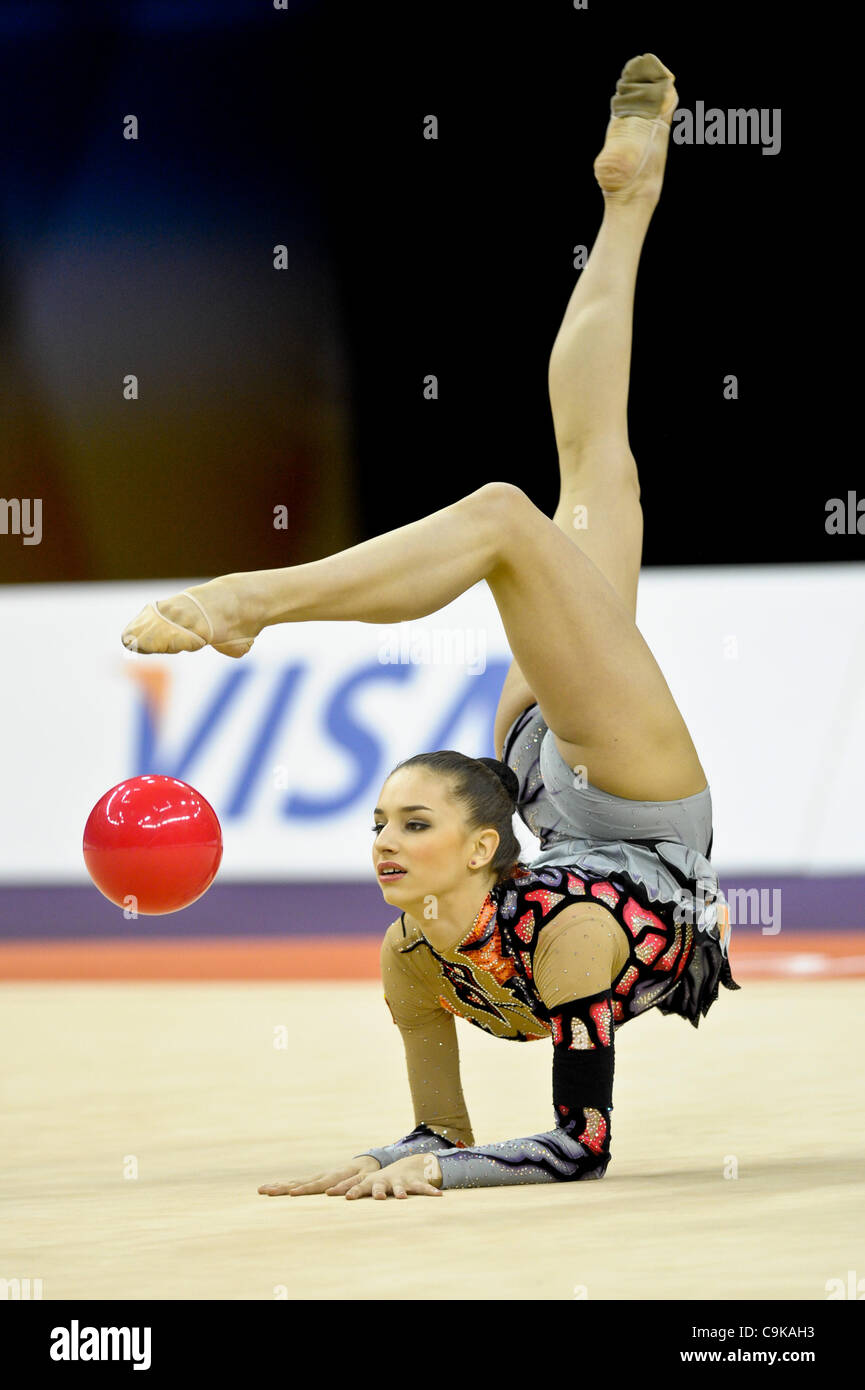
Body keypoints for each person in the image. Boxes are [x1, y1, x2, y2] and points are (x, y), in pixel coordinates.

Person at [121, 53, 740, 1200]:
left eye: (400, 819)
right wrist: (407, 1160)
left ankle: (626, 202)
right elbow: (512, 1141)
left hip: (546, 765)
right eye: (389, 821)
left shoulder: (416, 940)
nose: (385, 840)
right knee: (557, 491)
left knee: (568, 482)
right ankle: (630, 201)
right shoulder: (531, 939)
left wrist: (431, 1165)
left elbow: (514, 1149)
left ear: (474, 844)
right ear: (485, 851)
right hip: (641, 817)